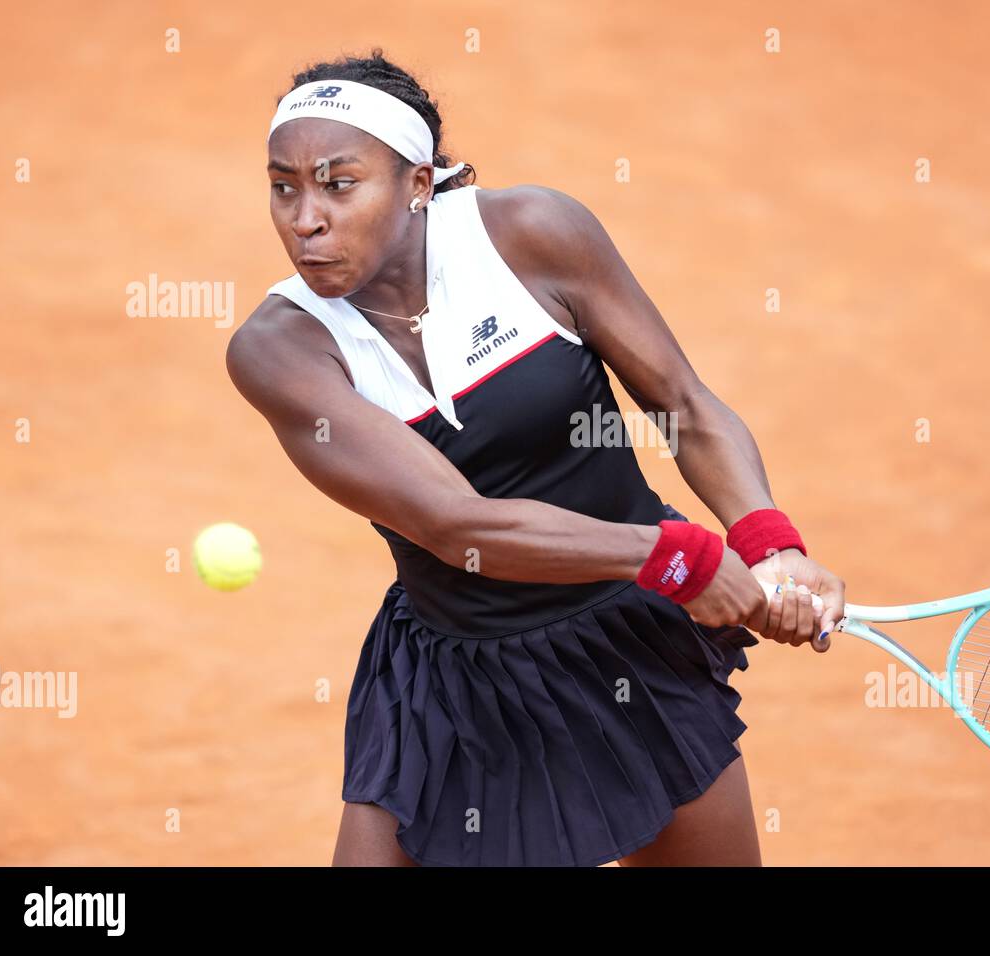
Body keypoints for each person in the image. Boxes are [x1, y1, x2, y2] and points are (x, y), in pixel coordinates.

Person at [227, 50, 845, 867]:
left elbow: (685, 405)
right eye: (284, 186)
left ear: (418, 184)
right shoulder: (281, 349)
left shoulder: (532, 236)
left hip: (627, 647)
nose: (305, 218)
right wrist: (678, 559)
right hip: (454, 683)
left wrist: (772, 544)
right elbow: (457, 526)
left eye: (339, 184)